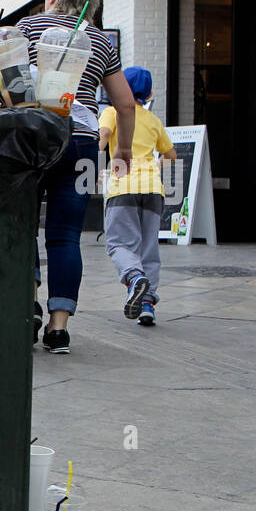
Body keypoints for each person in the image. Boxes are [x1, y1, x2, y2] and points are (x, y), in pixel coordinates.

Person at [19, 0, 136, 354]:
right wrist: (121, 150)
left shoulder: (29, 29)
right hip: (84, 144)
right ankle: (58, 328)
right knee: (67, 236)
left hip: (34, 137)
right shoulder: (101, 42)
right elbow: (125, 104)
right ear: (93, 3)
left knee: (22, 229)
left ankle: (28, 305)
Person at [99, 66, 176, 327]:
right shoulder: (153, 120)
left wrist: (96, 161)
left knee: (119, 244)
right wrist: (154, 167)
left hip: (123, 187)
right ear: (150, 92)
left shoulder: (112, 112)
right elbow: (171, 155)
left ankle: (134, 278)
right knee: (149, 248)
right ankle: (147, 305)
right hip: (154, 190)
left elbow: (104, 135)